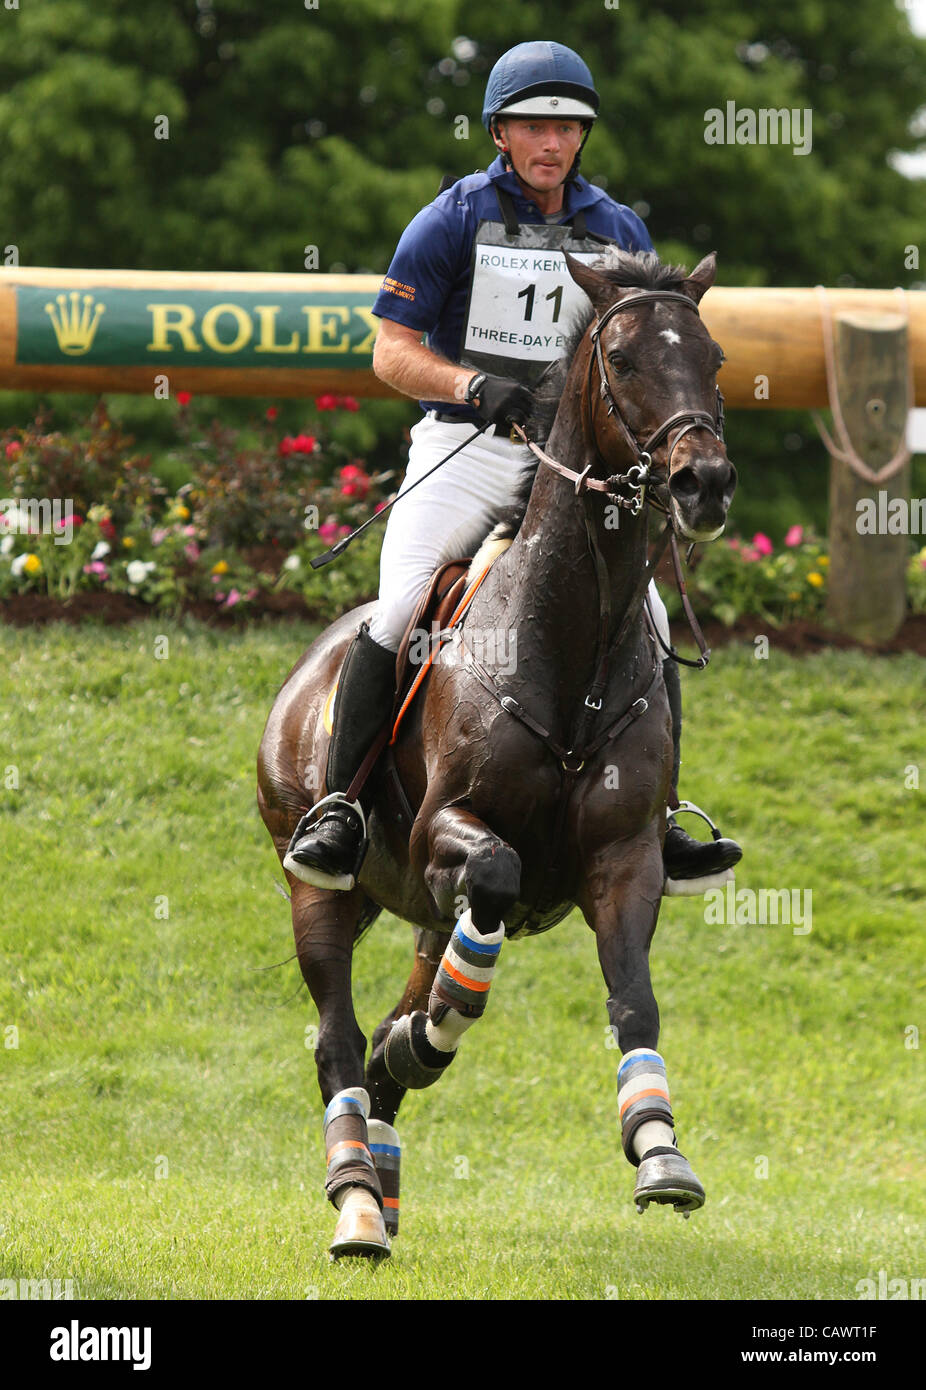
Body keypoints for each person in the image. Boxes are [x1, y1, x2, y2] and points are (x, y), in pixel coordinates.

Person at [285, 40, 741, 894]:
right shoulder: (450, 218)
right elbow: (390, 352)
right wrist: (470, 383)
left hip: (575, 468)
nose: (552, 142)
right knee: (400, 607)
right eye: (534, 124)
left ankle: (665, 816)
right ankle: (340, 808)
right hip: (466, 447)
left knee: (649, 614)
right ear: (500, 131)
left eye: (567, 127)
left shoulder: (618, 229)